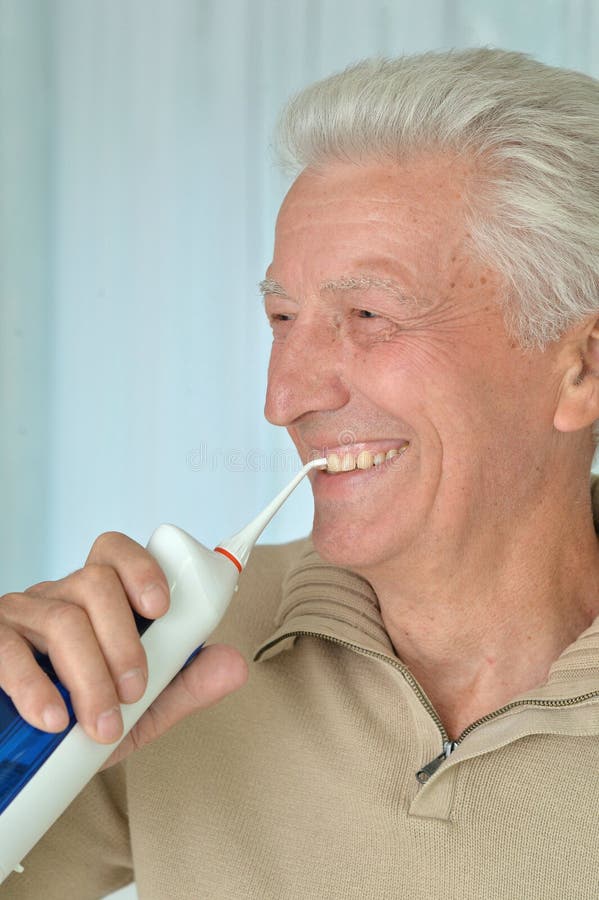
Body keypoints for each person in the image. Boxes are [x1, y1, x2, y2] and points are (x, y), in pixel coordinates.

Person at [2, 47, 599, 899]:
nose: (283, 398)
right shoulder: (160, 658)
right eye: (281, 316)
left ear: (582, 367)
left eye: (367, 314)